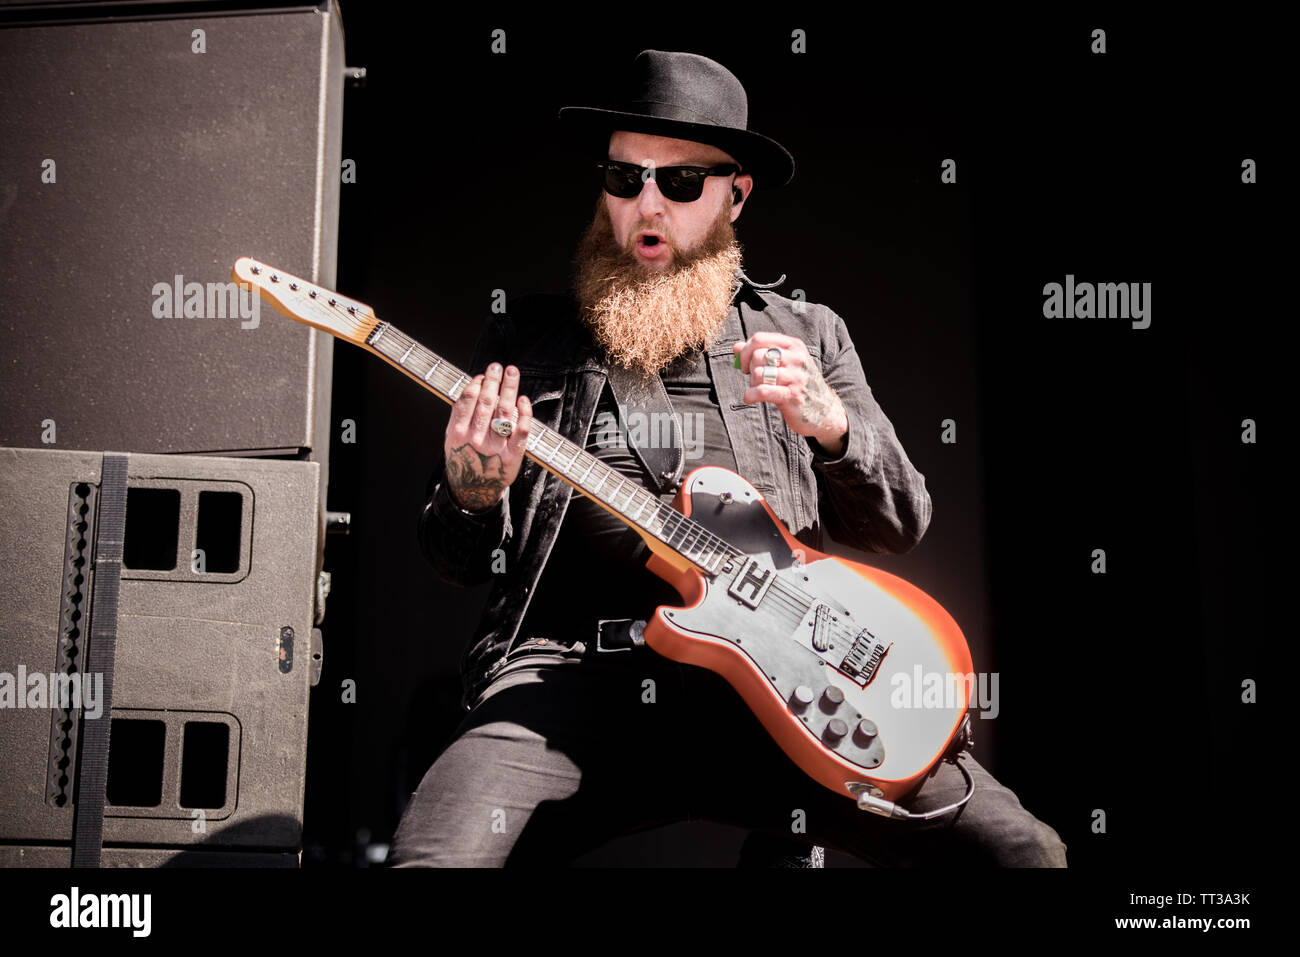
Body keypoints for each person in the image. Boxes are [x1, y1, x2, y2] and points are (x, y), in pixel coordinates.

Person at [389, 50, 1067, 867]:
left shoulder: (809, 333)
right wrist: (472, 491)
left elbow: (900, 522)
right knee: (434, 859)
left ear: (735, 195)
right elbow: (455, 558)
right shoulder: (528, 339)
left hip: (785, 686)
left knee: (1024, 852)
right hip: (569, 681)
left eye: (679, 184)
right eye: (623, 176)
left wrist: (832, 425)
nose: (646, 203)